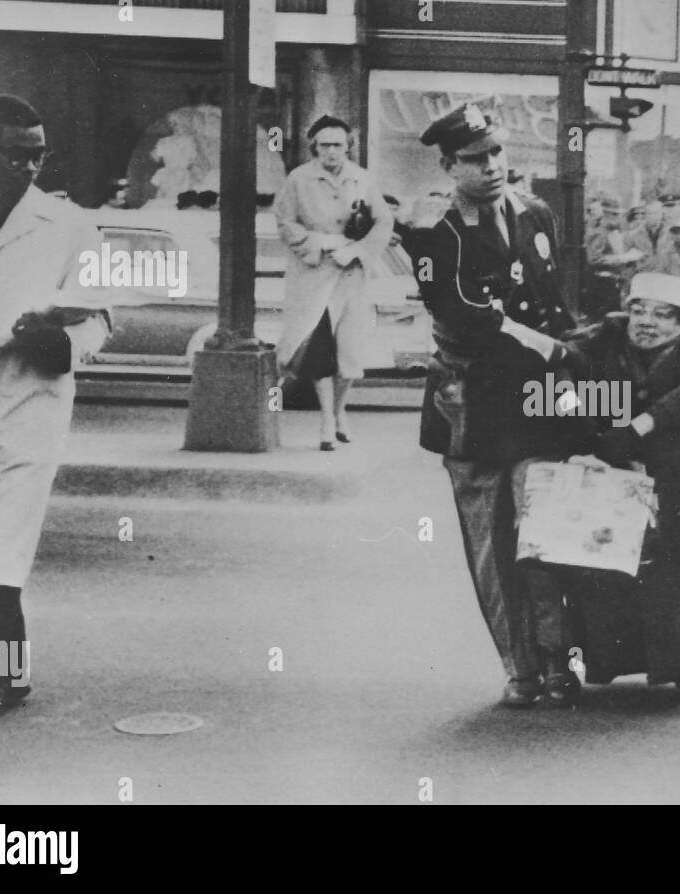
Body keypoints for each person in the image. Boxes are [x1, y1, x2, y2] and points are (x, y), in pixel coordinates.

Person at [0, 95, 112, 754]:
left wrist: (65, 344)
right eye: (16, 154)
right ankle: (3, 672)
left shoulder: (67, 226)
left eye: (39, 155)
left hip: (20, 413)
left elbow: (99, 318)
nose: (31, 167)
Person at [403, 104, 582, 708]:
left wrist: (579, 366)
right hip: (474, 402)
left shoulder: (535, 213)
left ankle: (558, 658)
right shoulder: (436, 233)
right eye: (475, 159)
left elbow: (556, 303)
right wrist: (550, 349)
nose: (492, 166)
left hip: (537, 402)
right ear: (449, 166)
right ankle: (520, 667)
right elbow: (465, 317)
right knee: (492, 547)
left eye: (497, 152)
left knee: (545, 534)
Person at [560, 273, 680, 690]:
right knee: (607, 561)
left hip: (677, 474)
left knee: (676, 564)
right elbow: (563, 360)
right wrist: (580, 430)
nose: (646, 322)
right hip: (611, 464)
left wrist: (637, 427)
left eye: (661, 315)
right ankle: (609, 657)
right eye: (639, 310)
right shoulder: (605, 337)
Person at [273, 114, 393, 451]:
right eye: (324, 145)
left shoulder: (362, 179)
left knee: (351, 352)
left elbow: (384, 222)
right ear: (314, 146)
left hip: (352, 275)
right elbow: (284, 222)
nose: (331, 151)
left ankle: (340, 412)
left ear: (348, 147)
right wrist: (322, 243)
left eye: (338, 145)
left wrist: (356, 250)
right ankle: (327, 420)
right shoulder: (299, 179)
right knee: (319, 350)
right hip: (314, 276)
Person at [626, 198, 667, 265]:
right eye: (649, 213)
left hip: (664, 269)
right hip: (643, 269)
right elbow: (628, 254)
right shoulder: (636, 234)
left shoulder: (670, 233)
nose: (652, 216)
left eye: (655, 213)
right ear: (645, 214)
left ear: (661, 214)